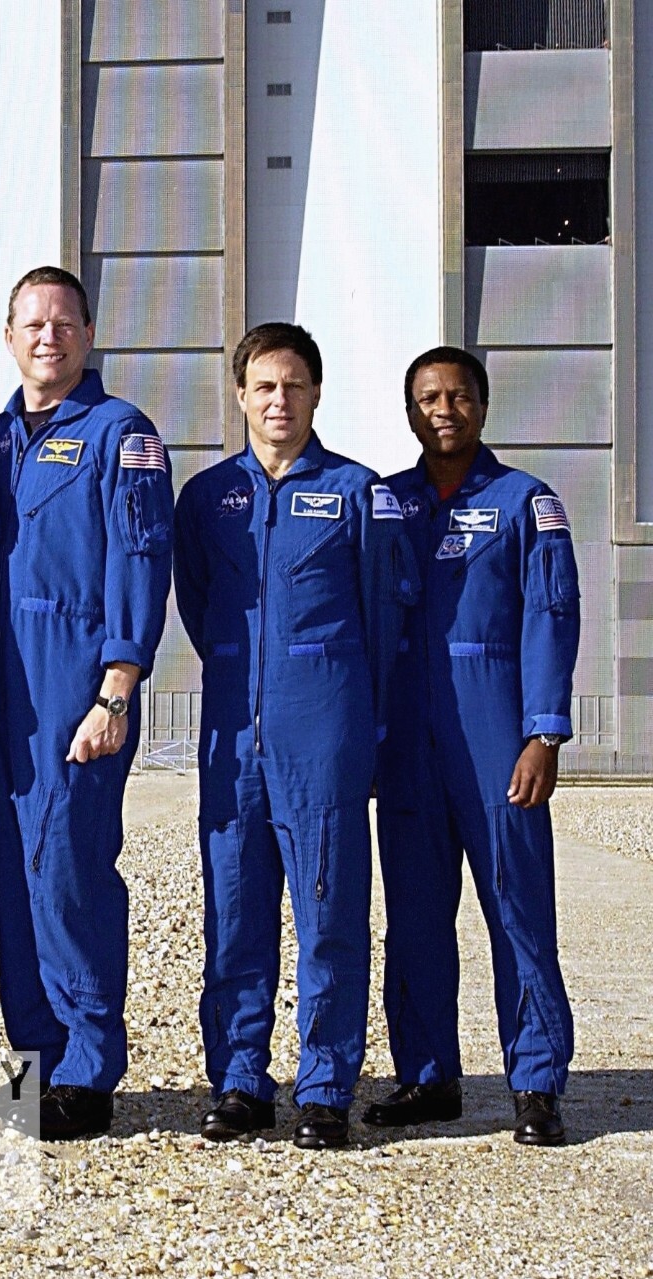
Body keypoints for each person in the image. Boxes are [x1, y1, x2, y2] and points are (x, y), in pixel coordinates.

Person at [173, 322, 415, 1150]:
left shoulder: (356, 492)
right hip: (234, 735)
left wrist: (353, 716)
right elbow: (200, 604)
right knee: (234, 910)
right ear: (240, 394)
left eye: (295, 385)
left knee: (329, 909)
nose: (279, 400)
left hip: (326, 732)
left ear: (317, 393)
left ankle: (323, 1085)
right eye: (264, 386)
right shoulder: (206, 498)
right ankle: (241, 1079)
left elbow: (386, 617)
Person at [0, 267, 174, 1140]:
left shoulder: (120, 434)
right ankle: (35, 1059)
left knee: (70, 875)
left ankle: (88, 1067)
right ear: (10, 336)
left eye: (63, 322)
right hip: (6, 693)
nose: (47, 336)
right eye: (32, 323)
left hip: (79, 687)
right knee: (15, 880)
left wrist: (117, 686)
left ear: (88, 336)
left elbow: (141, 560)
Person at [367, 346, 579, 1146]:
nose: (443, 409)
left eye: (458, 395)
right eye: (427, 397)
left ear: (483, 407)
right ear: (410, 409)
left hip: (496, 737)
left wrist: (543, 732)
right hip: (409, 747)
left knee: (517, 908)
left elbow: (551, 618)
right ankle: (427, 1076)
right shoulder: (388, 503)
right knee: (416, 916)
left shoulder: (527, 503)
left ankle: (535, 1083)